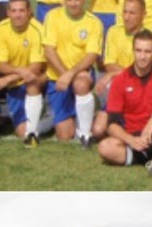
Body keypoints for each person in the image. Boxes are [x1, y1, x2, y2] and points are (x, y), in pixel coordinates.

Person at [98, 30, 152, 176]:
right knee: (105, 147)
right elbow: (111, 123)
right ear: (133, 51)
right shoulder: (121, 80)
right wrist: (131, 140)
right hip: (136, 136)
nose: (142, 56)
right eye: (138, 51)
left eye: (147, 51)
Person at [42, 0, 103, 145]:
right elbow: (48, 51)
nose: (73, 3)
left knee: (81, 83)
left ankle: (85, 133)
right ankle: (84, 113)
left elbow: (92, 55)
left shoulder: (94, 22)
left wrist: (71, 75)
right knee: (64, 135)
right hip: (57, 78)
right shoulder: (52, 16)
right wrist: (65, 75)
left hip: (80, 75)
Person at [0, 0, 47, 147]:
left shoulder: (38, 29)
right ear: (8, 13)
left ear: (29, 12)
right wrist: (19, 72)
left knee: (32, 81)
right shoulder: (0, 29)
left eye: (22, 11)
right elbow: (1, 65)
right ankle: (45, 118)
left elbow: (36, 67)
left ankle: (33, 131)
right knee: (20, 131)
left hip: (34, 79)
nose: (18, 15)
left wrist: (10, 77)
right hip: (15, 84)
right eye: (14, 11)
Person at [91, 0, 146, 141]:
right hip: (119, 87)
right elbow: (109, 64)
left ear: (143, 15)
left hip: (141, 92)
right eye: (125, 12)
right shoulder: (114, 31)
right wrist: (123, 74)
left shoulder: (150, 37)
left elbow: (146, 71)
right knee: (97, 131)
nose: (127, 17)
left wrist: (115, 73)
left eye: (132, 13)